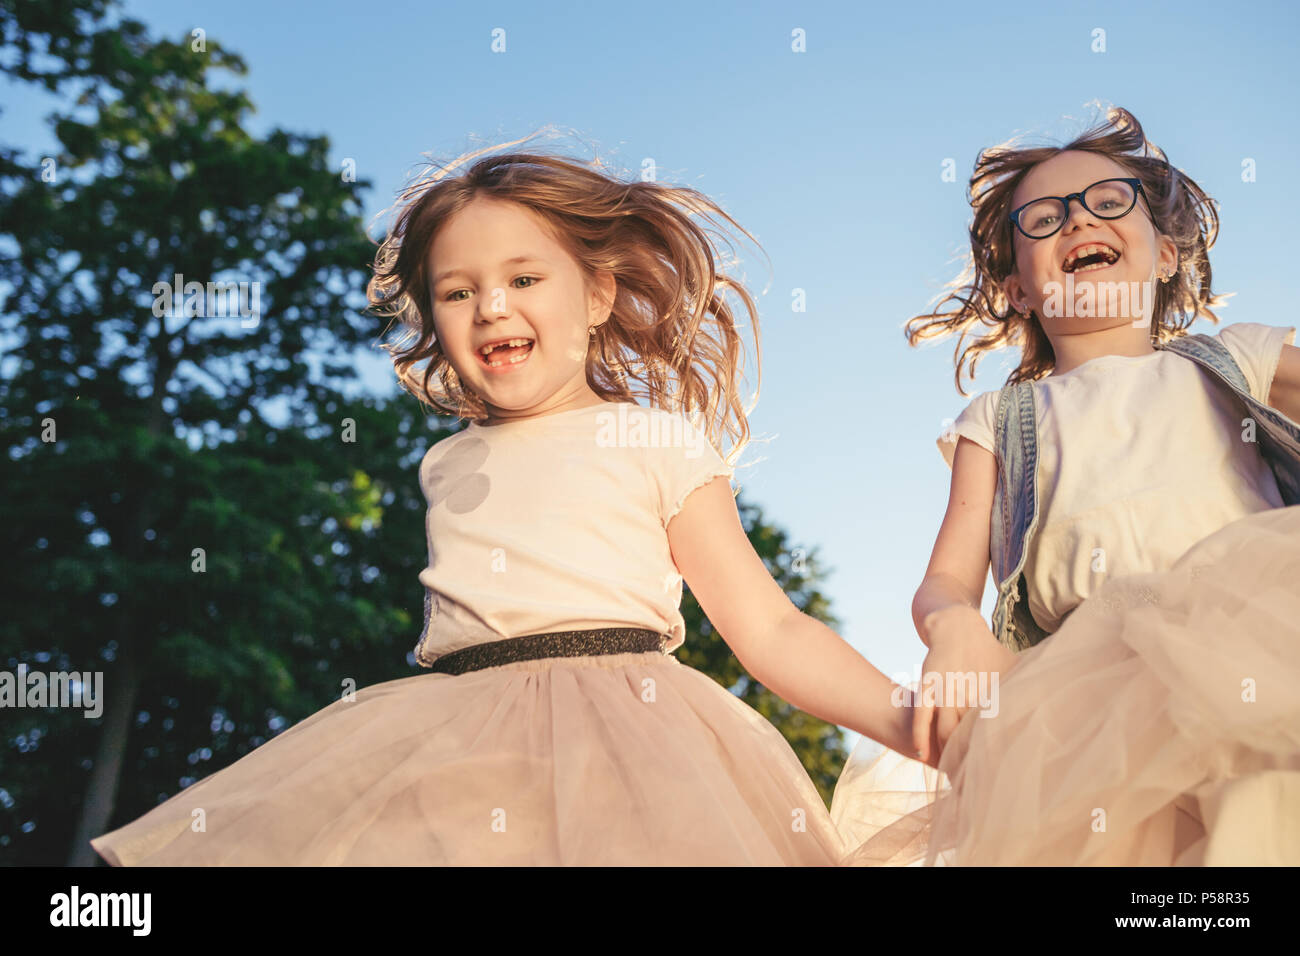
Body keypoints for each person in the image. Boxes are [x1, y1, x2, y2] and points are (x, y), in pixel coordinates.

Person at [90, 142, 928, 866]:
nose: (491, 305)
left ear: (597, 297)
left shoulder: (654, 442)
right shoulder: (447, 461)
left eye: (525, 277)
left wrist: (918, 725)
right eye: (457, 292)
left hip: (637, 745)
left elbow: (772, 629)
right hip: (460, 746)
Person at [832, 106, 1300, 866]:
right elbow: (947, 579)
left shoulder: (1234, 360)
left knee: (1265, 825)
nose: (1079, 219)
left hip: (1256, 648)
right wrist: (954, 629)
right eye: (1044, 219)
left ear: (1168, 254)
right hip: (1083, 706)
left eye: (1109, 201)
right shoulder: (1000, 418)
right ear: (1018, 288)